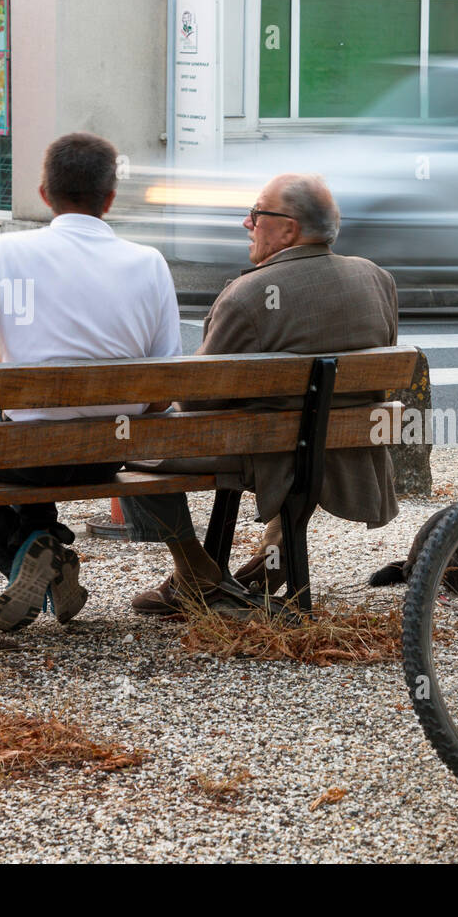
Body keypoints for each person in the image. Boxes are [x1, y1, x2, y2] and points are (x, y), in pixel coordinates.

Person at [0, 132, 183, 632]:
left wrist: (2, 372)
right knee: (23, 425)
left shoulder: (9, 251)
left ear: (44, 193)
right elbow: (161, 395)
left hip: (30, 459)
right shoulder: (149, 263)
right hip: (108, 454)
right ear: (110, 198)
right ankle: (42, 541)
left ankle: (27, 553)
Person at [121, 173, 398, 614]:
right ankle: (278, 547)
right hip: (342, 446)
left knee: (123, 441)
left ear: (288, 229)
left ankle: (196, 573)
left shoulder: (248, 295)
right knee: (292, 423)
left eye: (255, 214)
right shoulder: (376, 279)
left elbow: (196, 402)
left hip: (264, 452)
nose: (246, 224)